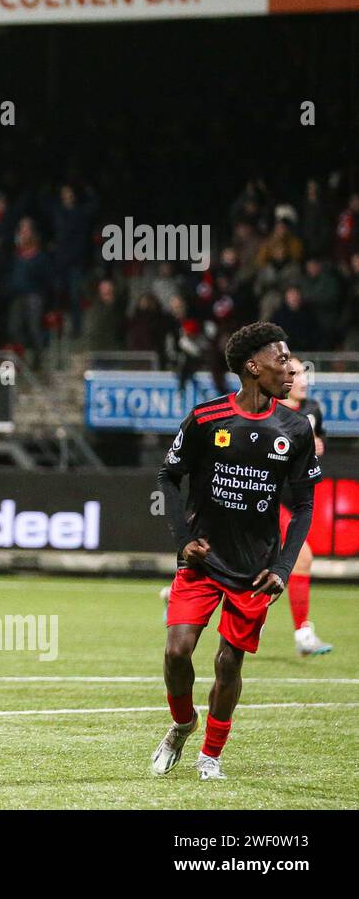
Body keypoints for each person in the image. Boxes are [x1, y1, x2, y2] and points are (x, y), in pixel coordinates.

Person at [151, 322, 320, 780]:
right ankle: (183, 724)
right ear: (253, 367)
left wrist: (284, 566)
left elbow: (304, 504)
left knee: (229, 662)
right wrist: (183, 541)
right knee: (176, 653)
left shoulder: (295, 428)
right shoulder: (207, 420)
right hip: (204, 559)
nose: (293, 368)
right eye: (282, 360)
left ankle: (211, 756)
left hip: (256, 568)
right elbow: (168, 477)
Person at [280, 356, 333, 656]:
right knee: (303, 557)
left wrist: (319, 443)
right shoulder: (269, 412)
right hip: (269, 498)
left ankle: (176, 594)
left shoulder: (313, 410)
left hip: (296, 499)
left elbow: (319, 438)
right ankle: (302, 633)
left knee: (252, 565)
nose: (302, 380)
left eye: (303, 373)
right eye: (295, 374)